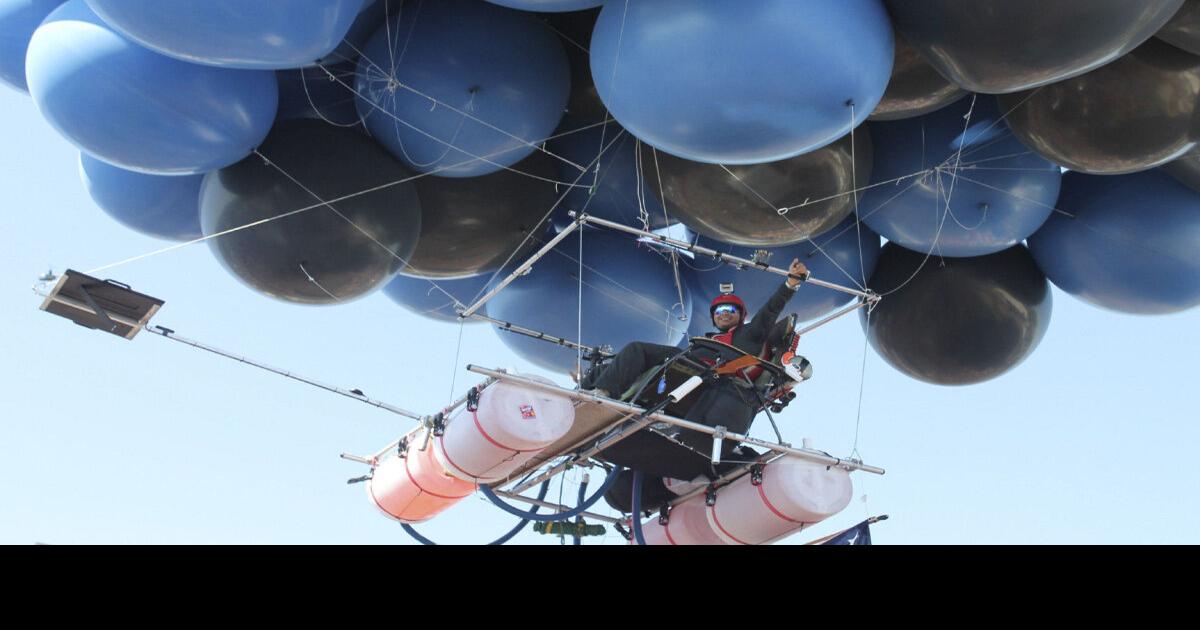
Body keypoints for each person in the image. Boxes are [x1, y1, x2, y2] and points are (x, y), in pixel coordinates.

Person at [582, 258, 809, 498]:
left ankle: (601, 396)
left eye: (730, 310)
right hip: (689, 361)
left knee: (637, 349)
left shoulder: (748, 335)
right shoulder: (711, 339)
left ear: (741, 316)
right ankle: (587, 396)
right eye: (719, 311)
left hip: (704, 372)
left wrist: (791, 284)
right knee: (612, 364)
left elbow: (769, 311)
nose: (723, 314)